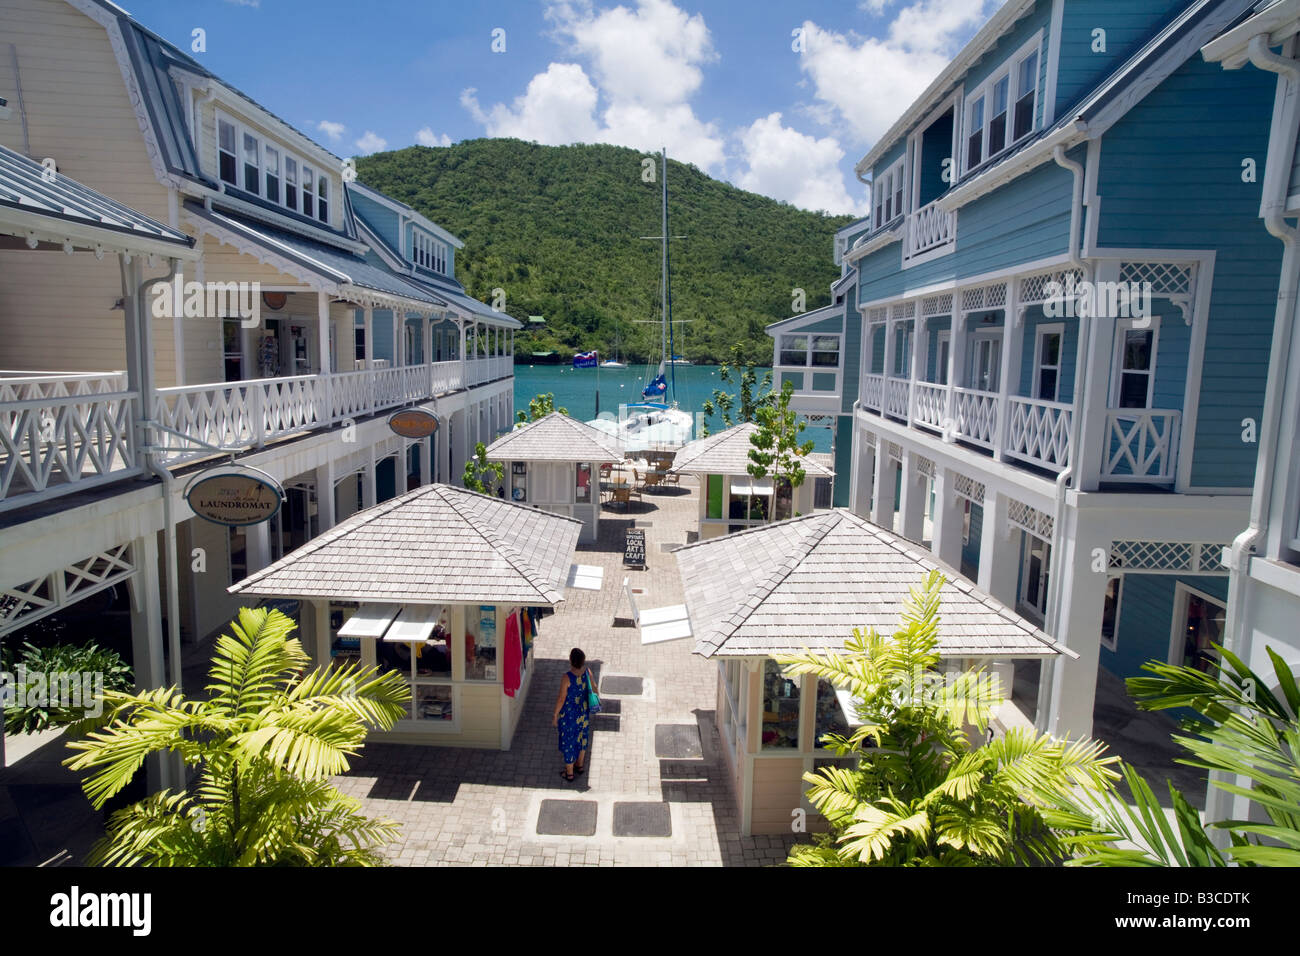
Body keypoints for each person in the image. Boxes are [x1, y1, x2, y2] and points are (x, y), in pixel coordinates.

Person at [552, 647, 591, 781]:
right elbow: (595, 689)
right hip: (583, 713)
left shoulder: (567, 678)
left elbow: (561, 699)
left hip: (569, 715)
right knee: (582, 738)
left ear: (570, 660)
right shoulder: (587, 673)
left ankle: (569, 773)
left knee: (569, 741)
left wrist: (555, 715)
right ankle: (579, 765)